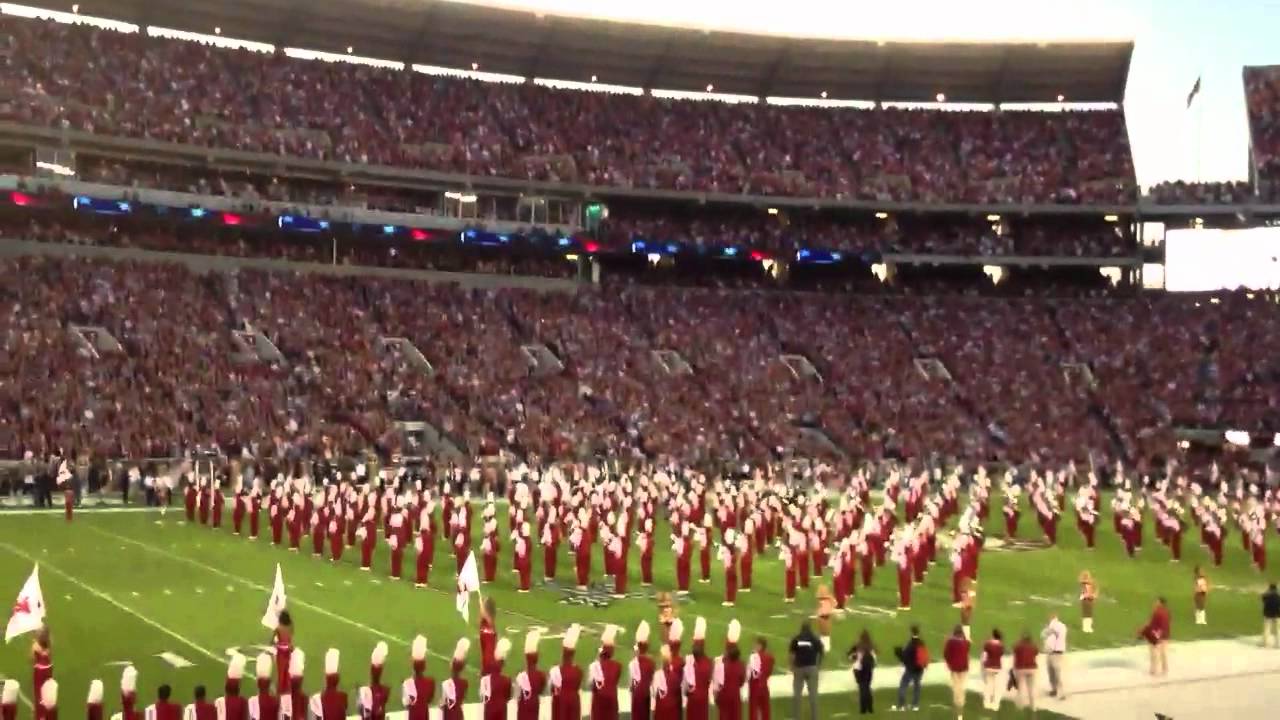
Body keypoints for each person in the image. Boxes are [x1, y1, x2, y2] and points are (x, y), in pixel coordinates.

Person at [788, 621, 822, 720]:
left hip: (799, 668)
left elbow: (792, 654)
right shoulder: (815, 639)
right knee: (813, 696)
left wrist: (792, 666)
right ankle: (815, 717)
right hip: (812, 667)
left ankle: (797, 717)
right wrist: (818, 665)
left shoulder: (796, 638)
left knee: (797, 695)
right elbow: (821, 652)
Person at [891, 625, 926, 712]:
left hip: (911, 669)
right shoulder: (922, 643)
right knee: (917, 686)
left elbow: (905, 657)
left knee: (903, 685)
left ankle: (901, 705)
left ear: (911, 632)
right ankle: (915, 705)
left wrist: (898, 653)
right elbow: (924, 656)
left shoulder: (910, 644)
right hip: (920, 669)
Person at [845, 630, 876, 715]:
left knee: (862, 688)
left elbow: (849, 656)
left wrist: (854, 658)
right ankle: (870, 709)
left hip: (858, 669)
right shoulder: (871, 645)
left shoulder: (857, 645)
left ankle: (863, 709)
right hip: (869, 669)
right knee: (867, 688)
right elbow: (874, 658)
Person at [943, 625, 970, 718]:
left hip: (954, 666)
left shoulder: (950, 642)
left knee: (956, 685)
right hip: (964, 666)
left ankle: (957, 702)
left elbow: (946, 653)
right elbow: (967, 649)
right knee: (962, 685)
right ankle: (961, 702)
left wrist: (949, 662)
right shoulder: (965, 642)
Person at [1139, 597, 1171, 677]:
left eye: (1157, 602)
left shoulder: (1156, 612)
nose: (1155, 603)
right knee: (1163, 652)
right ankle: (1165, 669)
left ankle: (1154, 670)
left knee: (1154, 652)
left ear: (1160, 603)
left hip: (1156, 634)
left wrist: (1142, 631)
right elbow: (1166, 624)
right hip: (1165, 634)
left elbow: (1151, 623)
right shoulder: (1167, 612)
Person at [1040, 612, 1067, 699]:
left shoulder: (1055, 626)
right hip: (1054, 652)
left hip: (1054, 652)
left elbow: (1043, 635)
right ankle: (1055, 690)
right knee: (1053, 672)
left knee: (1055, 673)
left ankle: (1060, 692)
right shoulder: (1061, 626)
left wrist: (1048, 629)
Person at [747, 637, 773, 720]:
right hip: (764, 687)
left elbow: (749, 674)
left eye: (756, 644)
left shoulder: (753, 657)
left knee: (753, 711)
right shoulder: (770, 658)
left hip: (754, 687)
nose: (754, 646)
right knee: (765, 711)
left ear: (760, 646)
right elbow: (769, 672)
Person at [1012, 633, 1038, 711]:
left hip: (1021, 668)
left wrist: (1018, 641)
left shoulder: (1018, 646)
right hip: (1032, 668)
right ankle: (1033, 706)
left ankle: (1020, 707)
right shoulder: (1033, 646)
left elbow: (1014, 649)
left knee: (1020, 689)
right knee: (1031, 689)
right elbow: (1036, 652)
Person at [980, 629, 1005, 713]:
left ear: (993, 635)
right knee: (997, 686)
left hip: (988, 666)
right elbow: (1001, 655)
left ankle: (987, 703)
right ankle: (995, 705)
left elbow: (984, 655)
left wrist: (983, 664)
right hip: (997, 667)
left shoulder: (988, 643)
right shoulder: (1001, 645)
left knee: (988, 685)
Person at [31, 626, 52, 720]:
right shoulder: (48, 643)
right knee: (47, 692)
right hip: (49, 667)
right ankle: (47, 714)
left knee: (38, 694)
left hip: (39, 670)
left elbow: (32, 658)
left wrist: (34, 647)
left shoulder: (35, 646)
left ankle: (40, 716)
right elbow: (47, 653)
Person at [1261, 583, 1279, 648]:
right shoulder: (1278, 596)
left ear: (1270, 589)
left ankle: (1265, 644)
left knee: (1267, 629)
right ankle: (1278, 644)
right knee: (1277, 629)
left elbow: (1262, 598)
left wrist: (1267, 591)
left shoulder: (1266, 596)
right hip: (1277, 614)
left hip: (1267, 614)